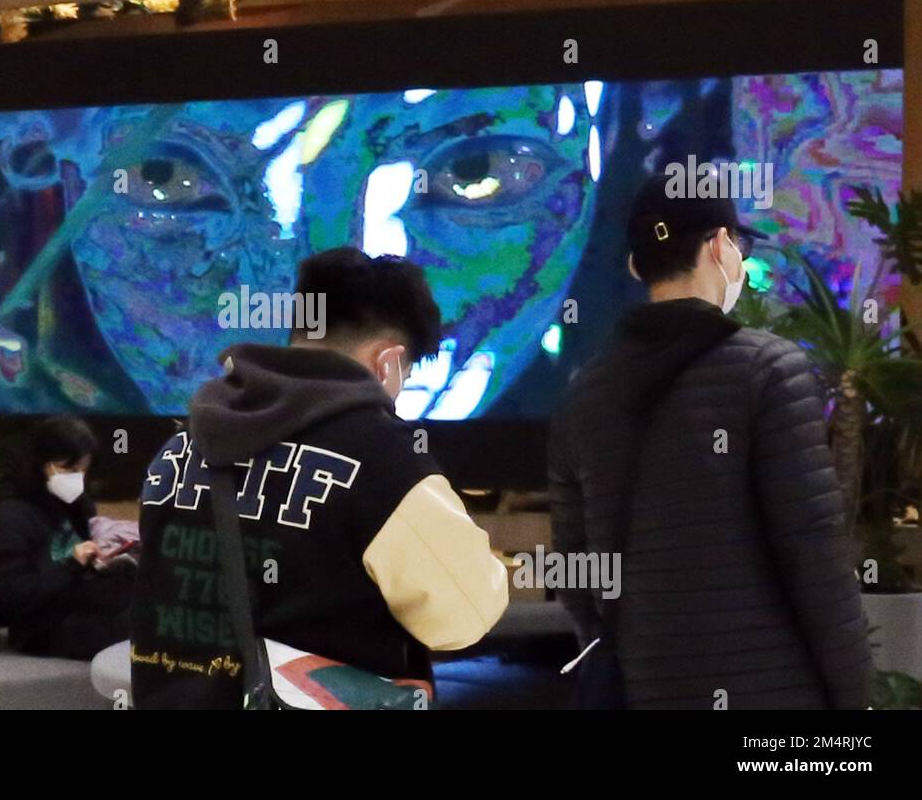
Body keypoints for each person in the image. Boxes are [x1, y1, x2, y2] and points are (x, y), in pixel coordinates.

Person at [130, 247, 510, 709]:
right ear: (385, 361)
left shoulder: (181, 447)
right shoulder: (384, 461)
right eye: (405, 376)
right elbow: (460, 618)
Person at [548, 173, 872, 709]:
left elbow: (576, 570)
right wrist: (855, 699)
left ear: (635, 265)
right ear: (721, 246)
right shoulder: (771, 371)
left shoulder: (583, 394)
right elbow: (814, 560)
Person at [0, 416, 135, 659]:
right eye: (69, 469)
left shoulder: (75, 508)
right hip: (41, 629)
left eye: (83, 470)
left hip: (81, 609)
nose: (77, 479)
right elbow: (15, 598)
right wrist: (71, 564)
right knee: (134, 629)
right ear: (41, 464)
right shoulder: (8, 519)